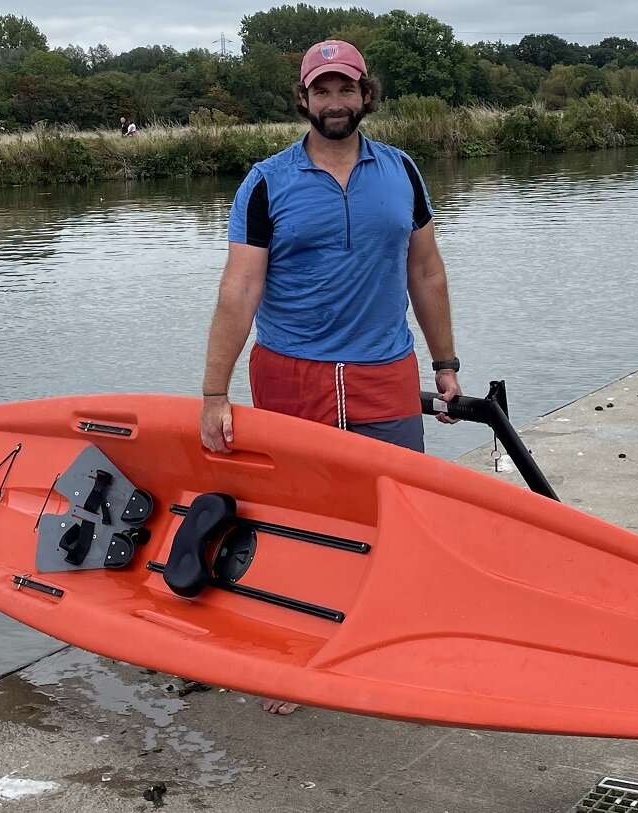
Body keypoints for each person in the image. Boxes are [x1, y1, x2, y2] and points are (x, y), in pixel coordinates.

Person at [198, 39, 462, 714]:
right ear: (304, 98)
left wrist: (445, 364)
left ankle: (386, 641)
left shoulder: (402, 171)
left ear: (365, 94)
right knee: (294, 517)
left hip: (383, 370)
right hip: (293, 373)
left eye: (347, 88)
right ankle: (295, 655)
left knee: (396, 513)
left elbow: (426, 271)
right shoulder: (265, 182)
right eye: (323, 90)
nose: (335, 101)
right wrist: (213, 392)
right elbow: (239, 288)